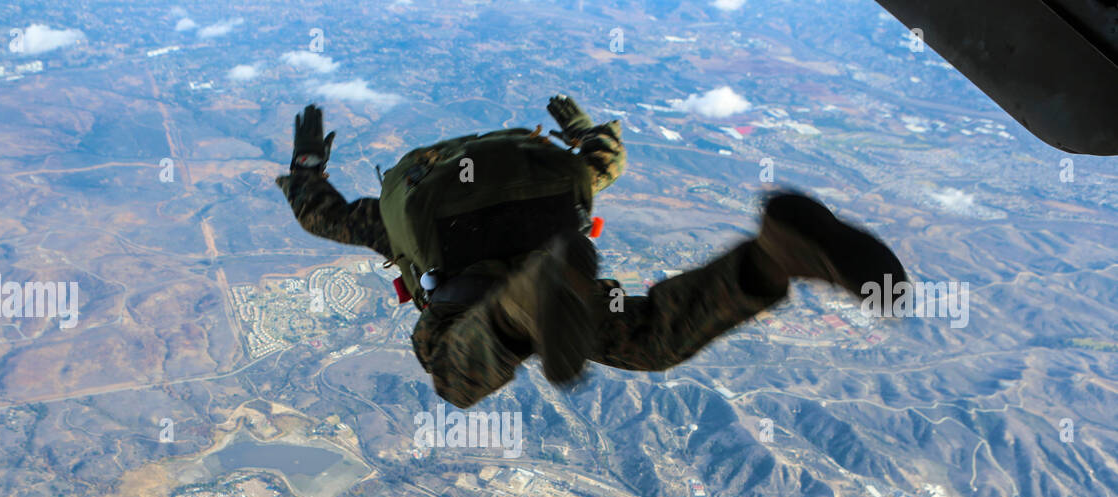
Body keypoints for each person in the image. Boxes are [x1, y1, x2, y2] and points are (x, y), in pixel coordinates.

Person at [276, 97, 905, 409]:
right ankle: (776, 256)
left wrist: (307, 163)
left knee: (451, 373)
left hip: (497, 269)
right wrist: (580, 131)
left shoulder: (390, 223)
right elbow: (607, 157)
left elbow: (316, 211)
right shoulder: (531, 172)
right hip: (549, 219)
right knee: (648, 337)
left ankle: (517, 309)